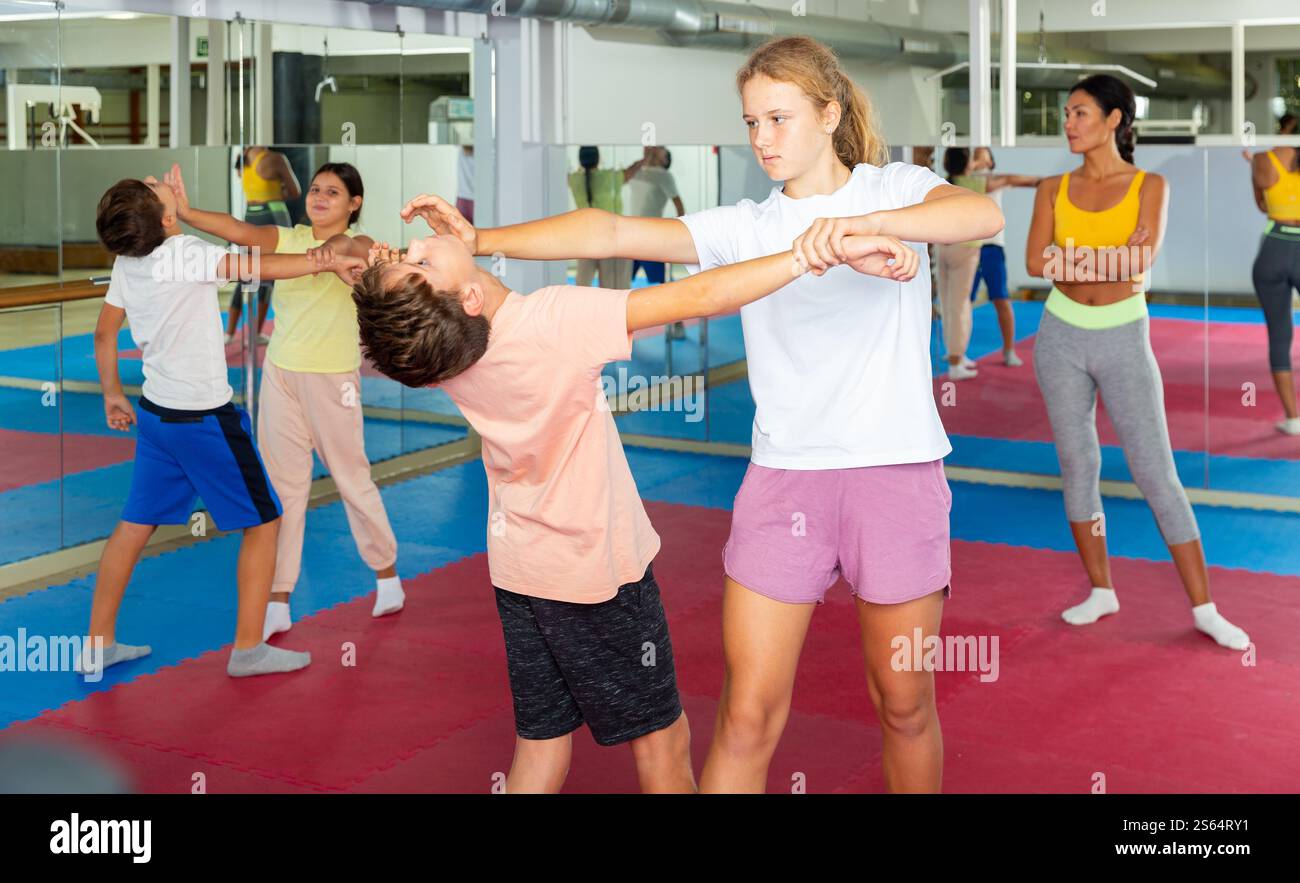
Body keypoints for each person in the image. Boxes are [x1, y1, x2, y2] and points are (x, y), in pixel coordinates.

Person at [404, 35, 1003, 793]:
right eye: (752, 122)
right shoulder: (745, 227)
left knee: (906, 703)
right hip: (784, 482)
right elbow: (609, 229)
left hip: (896, 474)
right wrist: (481, 239)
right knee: (747, 715)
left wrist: (868, 229)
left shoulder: (894, 187)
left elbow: (979, 215)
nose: (762, 139)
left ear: (830, 112)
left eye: (779, 119)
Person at [350, 194, 918, 793]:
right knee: (664, 743)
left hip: (520, 573)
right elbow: (700, 295)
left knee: (540, 750)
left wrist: (390, 266)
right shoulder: (551, 322)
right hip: (594, 574)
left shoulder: (440, 358)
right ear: (466, 299)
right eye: (420, 262)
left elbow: (401, 323)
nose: (418, 245)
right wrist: (810, 255)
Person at [84, 175, 360, 679]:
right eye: (156, 190)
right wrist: (325, 259)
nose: (159, 183)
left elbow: (104, 333)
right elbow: (257, 266)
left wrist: (111, 394)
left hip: (155, 415)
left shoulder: (129, 261)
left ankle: (96, 644)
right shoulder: (184, 251)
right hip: (204, 419)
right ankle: (249, 649)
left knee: (134, 525)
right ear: (166, 220)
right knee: (265, 521)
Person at [1025, 74, 1249, 650]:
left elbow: (1138, 263)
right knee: (1078, 466)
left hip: (1123, 334)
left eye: (1079, 113)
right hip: (1058, 337)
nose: (1069, 124)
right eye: (1067, 114)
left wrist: (1070, 258)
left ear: (1114, 120)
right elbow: (1035, 261)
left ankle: (1204, 607)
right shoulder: (1051, 187)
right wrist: (1104, 260)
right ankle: (1101, 589)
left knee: (1157, 473)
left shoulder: (1150, 184)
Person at [165, 162, 406, 637]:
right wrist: (188, 213)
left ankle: (387, 574)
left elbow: (341, 248)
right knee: (284, 487)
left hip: (332, 376)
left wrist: (329, 254)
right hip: (281, 373)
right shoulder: (289, 239)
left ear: (353, 204)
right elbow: (240, 230)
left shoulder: (362, 245)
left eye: (332, 193)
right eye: (315, 189)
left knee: (351, 478)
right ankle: (278, 595)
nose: (318, 197)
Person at [1243, 136, 1300, 434]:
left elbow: (1262, 205)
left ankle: (1293, 419)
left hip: (1274, 247)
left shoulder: (1264, 160)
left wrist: (1254, 167)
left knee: (1280, 336)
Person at [966, 147, 1040, 367]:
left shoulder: (996, 180)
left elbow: (1012, 179)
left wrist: (1040, 181)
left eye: (983, 154)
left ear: (991, 161)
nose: (979, 157)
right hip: (969, 247)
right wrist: (972, 167)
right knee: (963, 303)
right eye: (975, 154)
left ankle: (1009, 350)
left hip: (992, 247)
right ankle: (957, 352)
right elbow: (977, 181)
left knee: (1001, 299)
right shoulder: (963, 180)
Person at [227, 146, 301, 345]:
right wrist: (281, 190)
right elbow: (295, 191)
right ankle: (254, 335)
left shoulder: (242, 157)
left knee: (247, 274)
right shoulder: (275, 158)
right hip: (273, 214)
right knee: (270, 276)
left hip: (251, 215)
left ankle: (230, 333)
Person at [936, 148, 987, 379]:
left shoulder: (942, 184)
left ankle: (956, 352)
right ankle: (956, 362)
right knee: (959, 304)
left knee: (949, 302)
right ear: (967, 164)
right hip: (963, 249)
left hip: (943, 247)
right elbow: (988, 163)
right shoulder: (972, 183)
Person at [566, 146, 646, 289]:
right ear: (598, 159)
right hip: (612, 237)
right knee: (613, 289)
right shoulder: (609, 176)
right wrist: (645, 159)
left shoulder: (574, 179)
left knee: (581, 286)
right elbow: (630, 171)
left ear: (580, 160)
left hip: (586, 239)